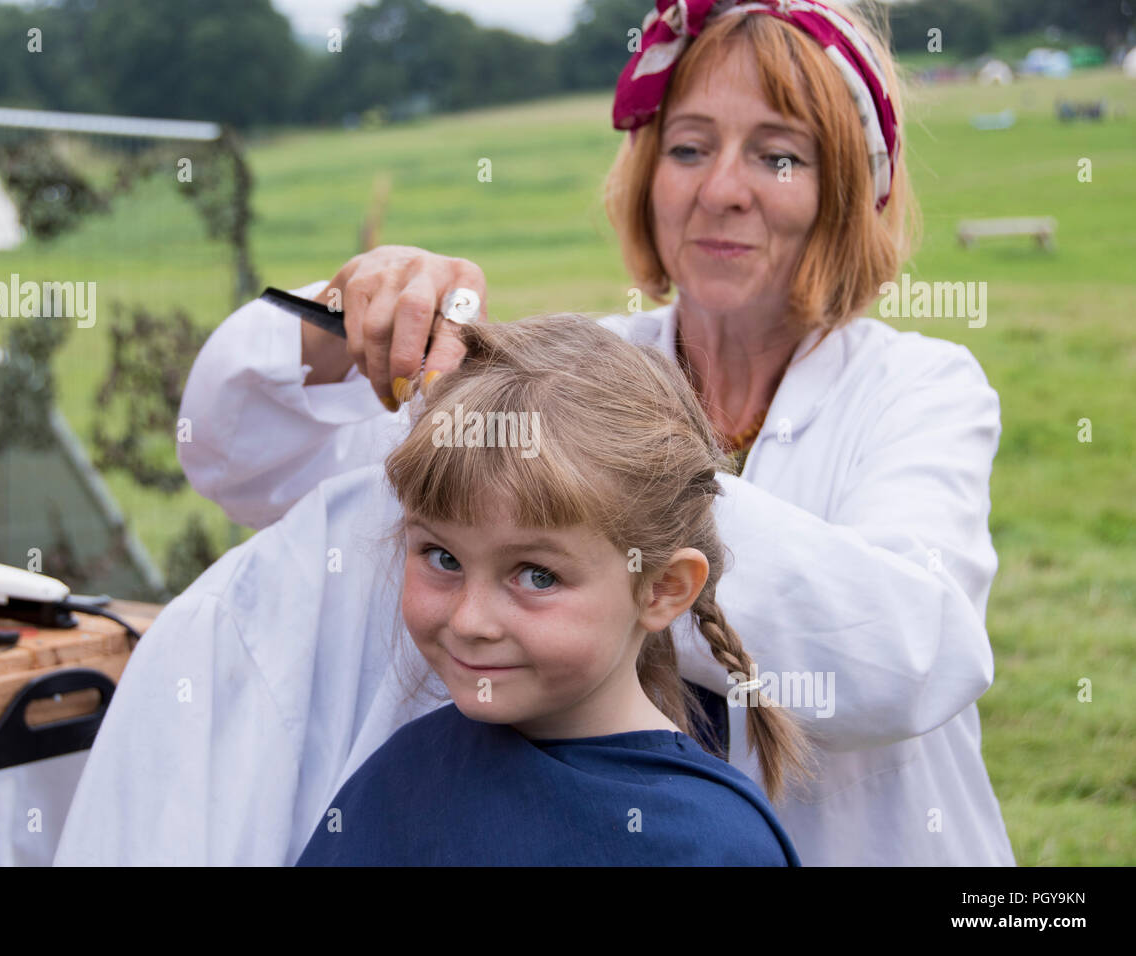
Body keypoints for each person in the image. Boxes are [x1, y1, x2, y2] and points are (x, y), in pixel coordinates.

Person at [55, 0, 1015, 866]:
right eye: (687, 148)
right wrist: (347, 316)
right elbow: (245, 454)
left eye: (779, 155)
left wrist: (611, 480)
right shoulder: (582, 369)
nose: (722, 189)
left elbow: (910, 653)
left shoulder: (919, 388)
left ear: (849, 193)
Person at [297, 314, 805, 865]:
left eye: (537, 576)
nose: (470, 621)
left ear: (661, 588)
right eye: (443, 558)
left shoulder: (710, 844)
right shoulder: (395, 782)